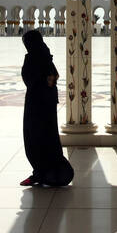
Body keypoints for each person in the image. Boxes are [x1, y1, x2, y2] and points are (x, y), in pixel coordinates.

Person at [19, 29, 74, 188]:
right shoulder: (44, 55)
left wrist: (40, 87)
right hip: (46, 103)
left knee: (35, 138)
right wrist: (46, 88)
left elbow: (37, 79)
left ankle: (42, 173)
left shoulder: (34, 57)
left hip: (36, 103)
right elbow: (53, 76)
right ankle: (45, 172)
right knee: (46, 137)